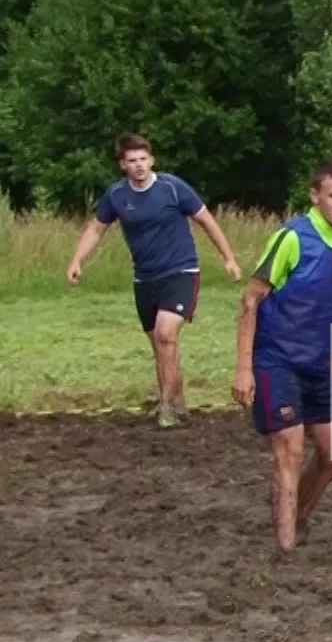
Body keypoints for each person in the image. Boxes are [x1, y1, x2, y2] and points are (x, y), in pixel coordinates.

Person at [66, 134, 243, 428]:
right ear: (123, 165)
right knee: (160, 344)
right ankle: (179, 402)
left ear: (152, 160)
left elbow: (206, 220)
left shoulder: (173, 188)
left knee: (165, 334)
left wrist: (228, 258)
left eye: (143, 160)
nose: (139, 166)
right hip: (145, 279)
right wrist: (77, 260)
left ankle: (167, 406)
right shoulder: (117, 196)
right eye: (132, 161)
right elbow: (96, 229)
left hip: (181, 272)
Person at [231, 160, 332, 554]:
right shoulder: (291, 238)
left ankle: (298, 516)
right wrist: (244, 367)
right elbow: (251, 298)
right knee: (289, 448)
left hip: (318, 367)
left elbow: (326, 310)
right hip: (277, 361)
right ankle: (285, 550)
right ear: (315, 195)